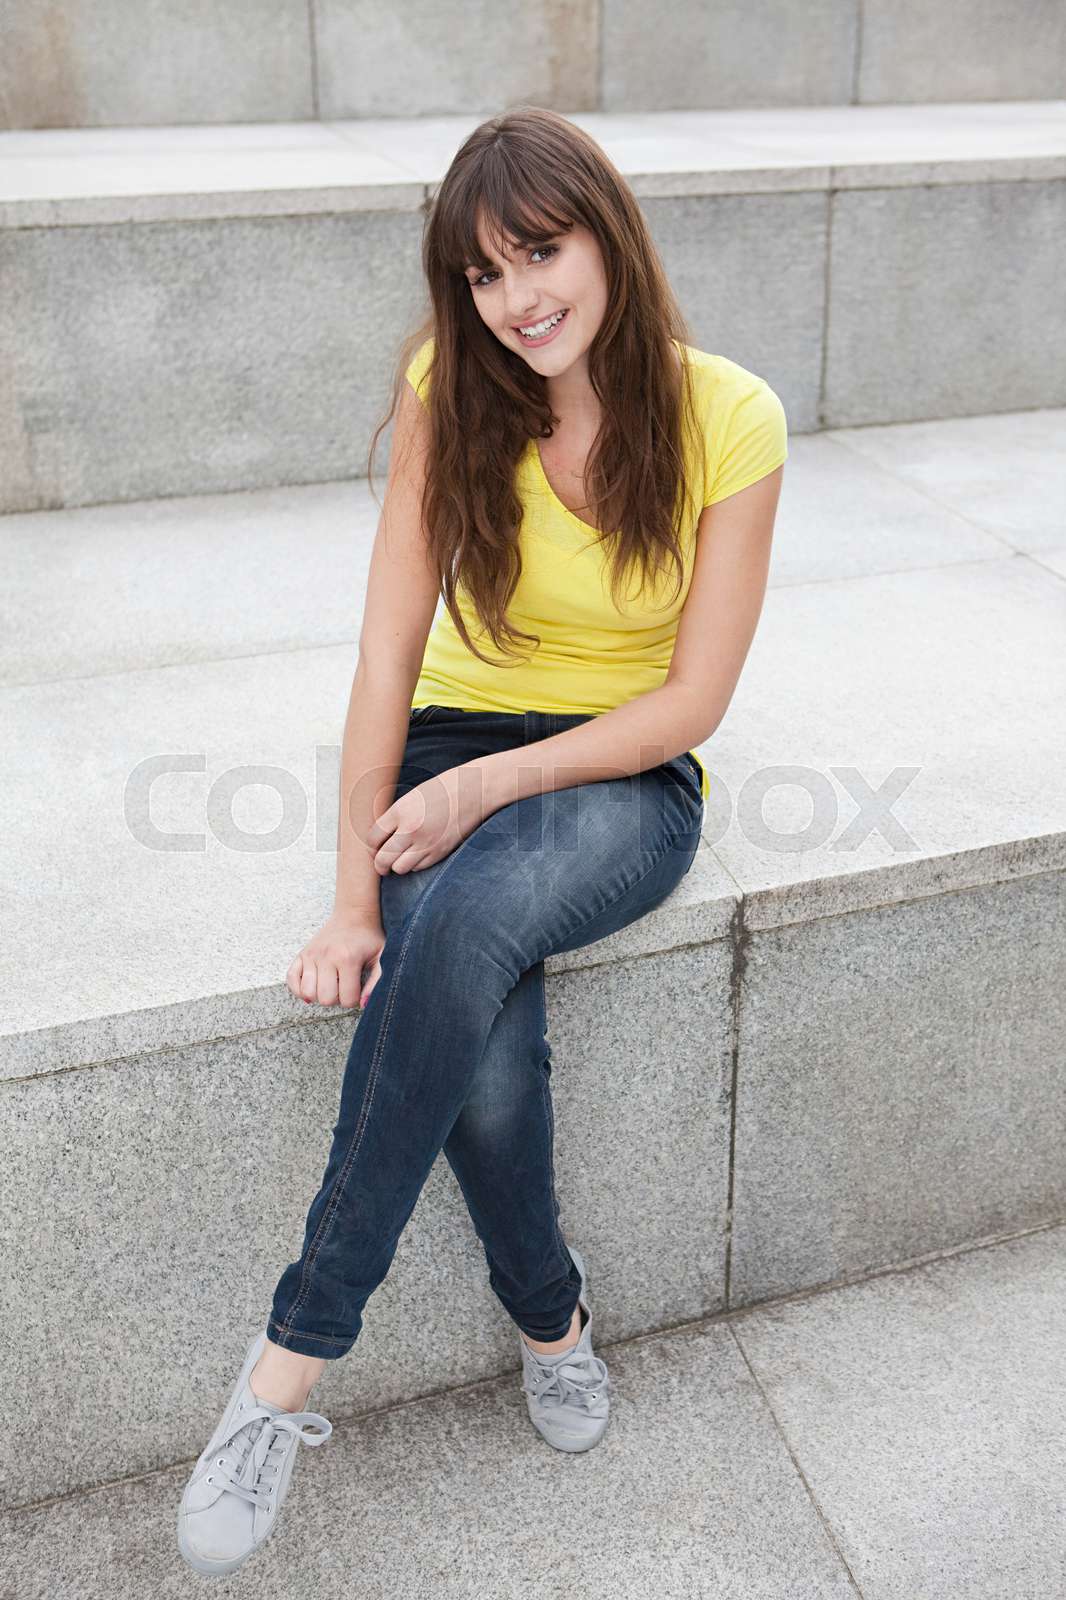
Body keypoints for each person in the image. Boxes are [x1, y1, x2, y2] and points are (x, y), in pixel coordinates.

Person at [177, 103, 787, 1577]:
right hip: (455, 741)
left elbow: (690, 700)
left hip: (619, 779)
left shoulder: (729, 418)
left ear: (607, 239)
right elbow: (388, 653)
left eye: (541, 250)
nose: (517, 299)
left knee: (455, 926)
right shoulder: (451, 392)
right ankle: (552, 1322)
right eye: (481, 273)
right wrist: (345, 902)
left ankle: (284, 1365)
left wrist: (483, 801)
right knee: (473, 1032)